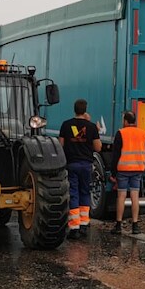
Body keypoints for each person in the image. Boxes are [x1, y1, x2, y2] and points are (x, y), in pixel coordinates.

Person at [58, 99, 101, 240]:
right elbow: (97, 148)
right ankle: (84, 224)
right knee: (85, 192)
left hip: (72, 164)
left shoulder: (66, 125)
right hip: (86, 164)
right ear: (85, 110)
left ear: (74, 109)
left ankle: (74, 227)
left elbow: (61, 145)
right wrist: (95, 132)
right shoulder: (92, 127)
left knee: (74, 193)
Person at [111, 110, 145, 234]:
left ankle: (118, 225)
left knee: (121, 197)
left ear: (126, 121)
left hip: (123, 169)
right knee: (135, 197)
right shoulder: (143, 133)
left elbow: (115, 154)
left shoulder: (121, 133)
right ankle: (135, 225)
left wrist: (112, 172)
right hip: (137, 169)